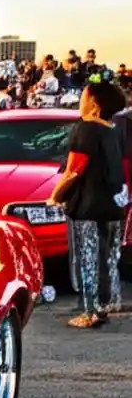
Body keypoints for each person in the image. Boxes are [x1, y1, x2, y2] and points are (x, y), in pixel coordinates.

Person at [48, 80, 128, 327]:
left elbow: (74, 170)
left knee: (87, 259)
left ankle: (90, 312)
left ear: (93, 101)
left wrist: (56, 196)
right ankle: (105, 305)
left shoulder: (86, 129)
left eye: (84, 95)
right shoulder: (112, 130)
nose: (81, 100)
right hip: (114, 206)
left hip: (88, 207)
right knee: (107, 259)